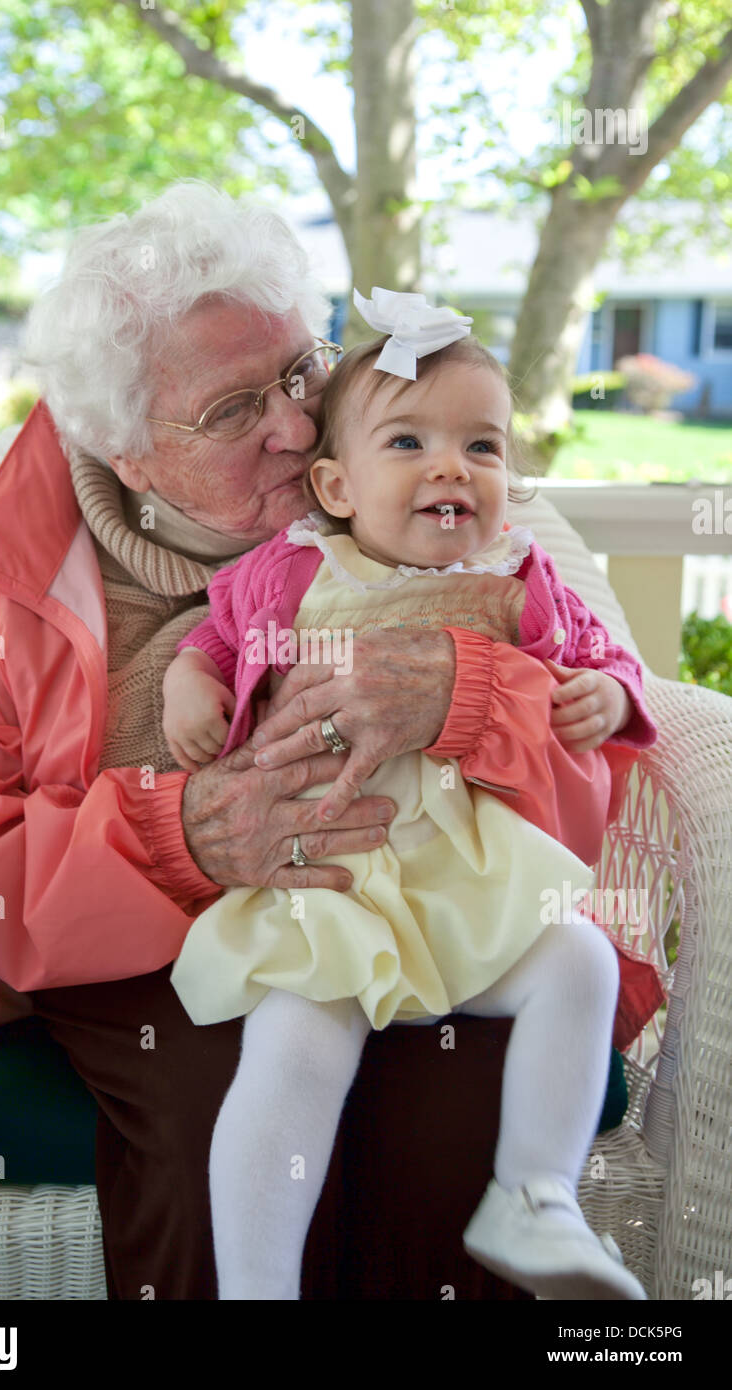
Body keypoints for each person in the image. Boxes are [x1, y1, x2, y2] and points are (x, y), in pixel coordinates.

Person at [0, 185, 665, 1300]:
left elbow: (599, 778)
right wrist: (178, 840)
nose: (302, 425)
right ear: (127, 452)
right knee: (223, 1087)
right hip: (152, 951)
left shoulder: (427, 506)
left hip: (427, 899)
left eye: (302, 369)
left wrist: (465, 695)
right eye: (230, 410)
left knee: (460, 1088)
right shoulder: (17, 584)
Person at [162, 287, 658, 1300]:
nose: (450, 467)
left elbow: (610, 656)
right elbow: (212, 635)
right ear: (335, 485)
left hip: (463, 888)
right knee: (293, 1045)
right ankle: (256, 1287)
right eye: (409, 443)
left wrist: (607, 690)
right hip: (330, 875)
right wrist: (193, 681)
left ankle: (532, 1196)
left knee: (576, 960)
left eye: (480, 447)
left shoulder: (520, 583)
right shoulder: (289, 573)